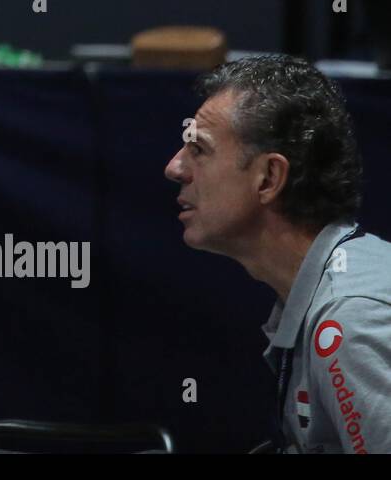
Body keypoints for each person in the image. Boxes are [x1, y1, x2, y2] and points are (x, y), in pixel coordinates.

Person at [165, 54, 391, 454]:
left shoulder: (348, 320)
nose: (175, 167)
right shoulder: (318, 294)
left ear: (269, 178)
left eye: (198, 149)